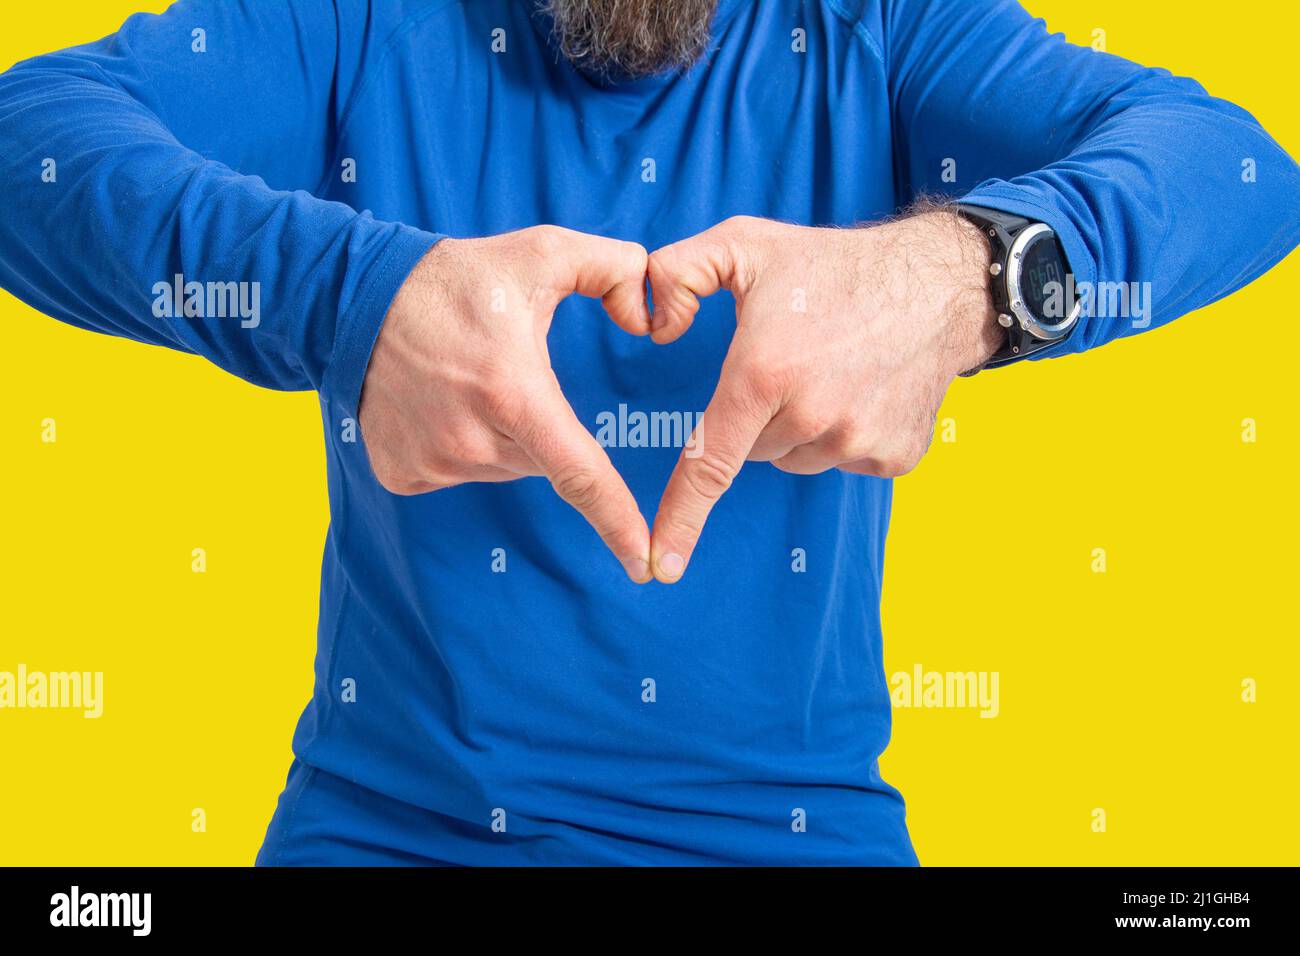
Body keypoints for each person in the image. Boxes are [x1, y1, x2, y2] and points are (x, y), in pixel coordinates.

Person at [1, 0, 1296, 865]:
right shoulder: (355, 19)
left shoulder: (879, 27)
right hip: (386, 827)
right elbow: (28, 137)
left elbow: (1235, 165)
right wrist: (349, 299)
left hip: (801, 833)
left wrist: (966, 277)